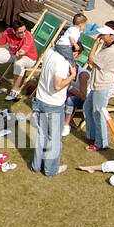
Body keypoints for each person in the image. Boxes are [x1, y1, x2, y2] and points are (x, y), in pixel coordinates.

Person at [32, 49, 76, 177]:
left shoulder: (49, 53)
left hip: (40, 99)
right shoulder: (62, 62)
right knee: (54, 139)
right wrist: (71, 77)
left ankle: (36, 165)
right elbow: (57, 86)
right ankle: (50, 170)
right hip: (53, 105)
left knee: (41, 135)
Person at [83, 22, 114, 153]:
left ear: (112, 36)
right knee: (87, 108)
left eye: (104, 34)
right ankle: (92, 136)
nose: (101, 35)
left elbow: (90, 60)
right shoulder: (108, 45)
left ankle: (101, 143)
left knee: (98, 113)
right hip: (97, 84)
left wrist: (95, 44)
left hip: (103, 86)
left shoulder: (111, 50)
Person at [0, 20, 37, 95]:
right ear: (13, 31)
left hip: (28, 58)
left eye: (24, 31)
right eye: (20, 32)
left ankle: (14, 90)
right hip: (13, 53)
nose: (23, 34)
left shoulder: (28, 36)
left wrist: (20, 54)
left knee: (19, 63)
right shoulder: (8, 32)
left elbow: (23, 51)